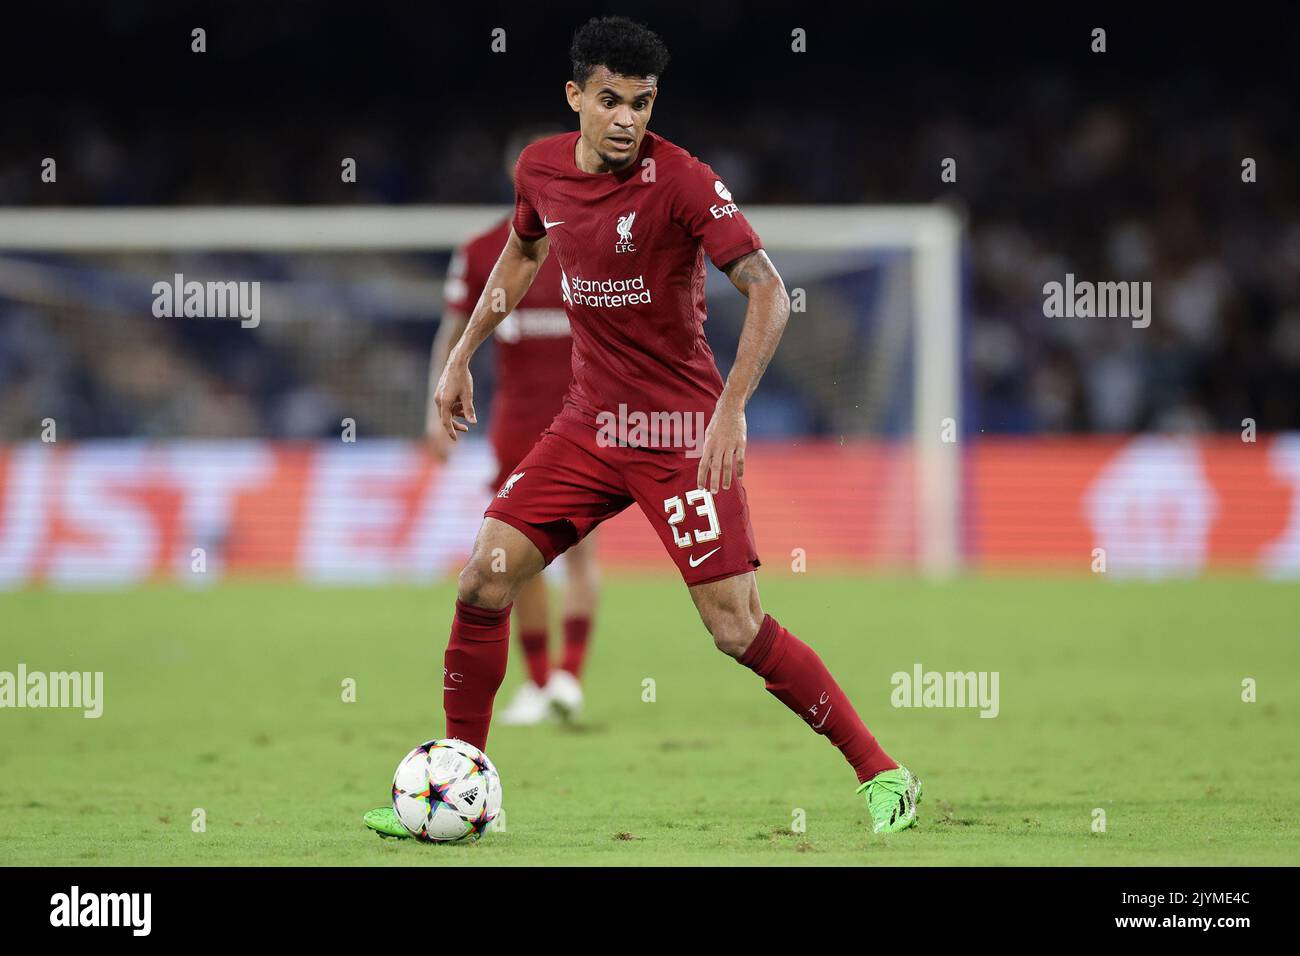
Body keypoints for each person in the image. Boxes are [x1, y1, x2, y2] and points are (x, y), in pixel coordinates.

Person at [366, 15, 920, 839]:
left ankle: (883, 774)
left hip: (678, 436)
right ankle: (461, 787)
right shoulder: (542, 169)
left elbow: (766, 290)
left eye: (644, 102)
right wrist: (461, 357)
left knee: (735, 627)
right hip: (588, 426)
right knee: (483, 579)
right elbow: (520, 255)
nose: (628, 119)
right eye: (612, 100)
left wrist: (729, 409)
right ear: (576, 98)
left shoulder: (685, 181)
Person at [427, 128, 601, 726]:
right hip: (518, 420)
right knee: (511, 557)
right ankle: (538, 680)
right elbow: (452, 331)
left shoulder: (592, 240)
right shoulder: (481, 252)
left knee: (580, 551)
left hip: (589, 414)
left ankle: (569, 679)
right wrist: (437, 403)